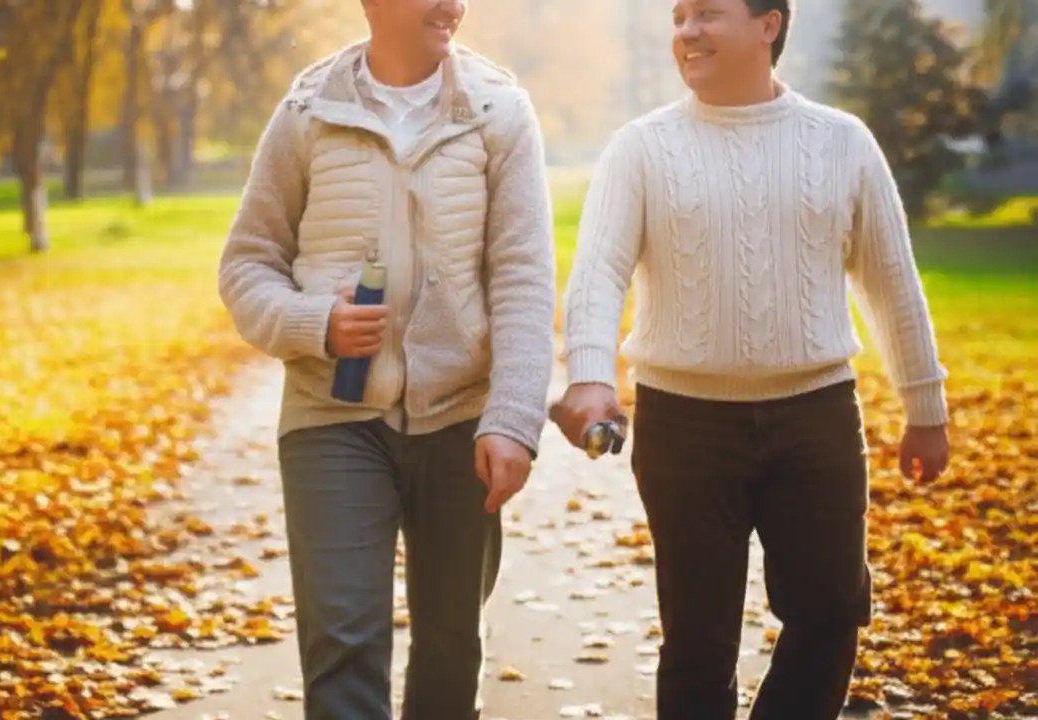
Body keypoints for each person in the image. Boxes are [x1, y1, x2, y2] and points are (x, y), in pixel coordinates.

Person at [549, 1, 952, 718]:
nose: (686, 32)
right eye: (678, 16)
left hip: (817, 417)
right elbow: (600, 271)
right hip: (685, 426)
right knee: (698, 641)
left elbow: (892, 283)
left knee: (830, 612)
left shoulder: (842, 142)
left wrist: (925, 408)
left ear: (769, 24)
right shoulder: (641, 147)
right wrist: (587, 376)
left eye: (708, 13)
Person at [216, 0, 556, 717]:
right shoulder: (309, 111)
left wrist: (514, 419)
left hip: (462, 421)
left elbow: (524, 278)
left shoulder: (499, 111)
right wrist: (316, 324)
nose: (453, 5)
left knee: (450, 646)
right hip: (330, 419)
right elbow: (247, 265)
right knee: (341, 641)